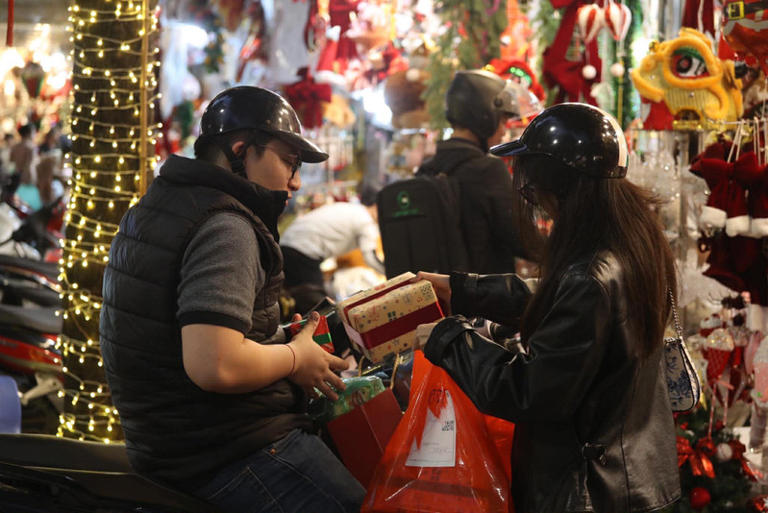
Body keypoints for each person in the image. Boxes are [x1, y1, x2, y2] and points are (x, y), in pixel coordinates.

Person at [100, 86, 365, 513]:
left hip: (170, 442)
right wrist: (296, 360)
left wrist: (281, 338)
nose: (295, 183)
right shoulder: (227, 225)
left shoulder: (158, 205)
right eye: (288, 162)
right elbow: (215, 363)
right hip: (227, 450)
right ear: (242, 150)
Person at [415, 103, 680, 513]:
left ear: (559, 187)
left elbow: (528, 392)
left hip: (589, 491)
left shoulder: (590, 275)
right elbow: (557, 300)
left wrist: (447, 337)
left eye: (531, 189)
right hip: (634, 477)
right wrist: (461, 290)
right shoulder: (633, 242)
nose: (533, 202)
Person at [416, 69, 525, 273]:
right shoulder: (488, 169)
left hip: (441, 296)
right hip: (484, 297)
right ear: (483, 114)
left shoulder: (427, 168)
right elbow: (522, 240)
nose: (503, 130)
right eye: (502, 120)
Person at [280, 184, 384, 314]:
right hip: (303, 251)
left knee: (297, 304)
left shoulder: (353, 210)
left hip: (288, 244)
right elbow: (371, 257)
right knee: (319, 311)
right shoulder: (366, 221)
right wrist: (392, 274)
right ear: (376, 207)